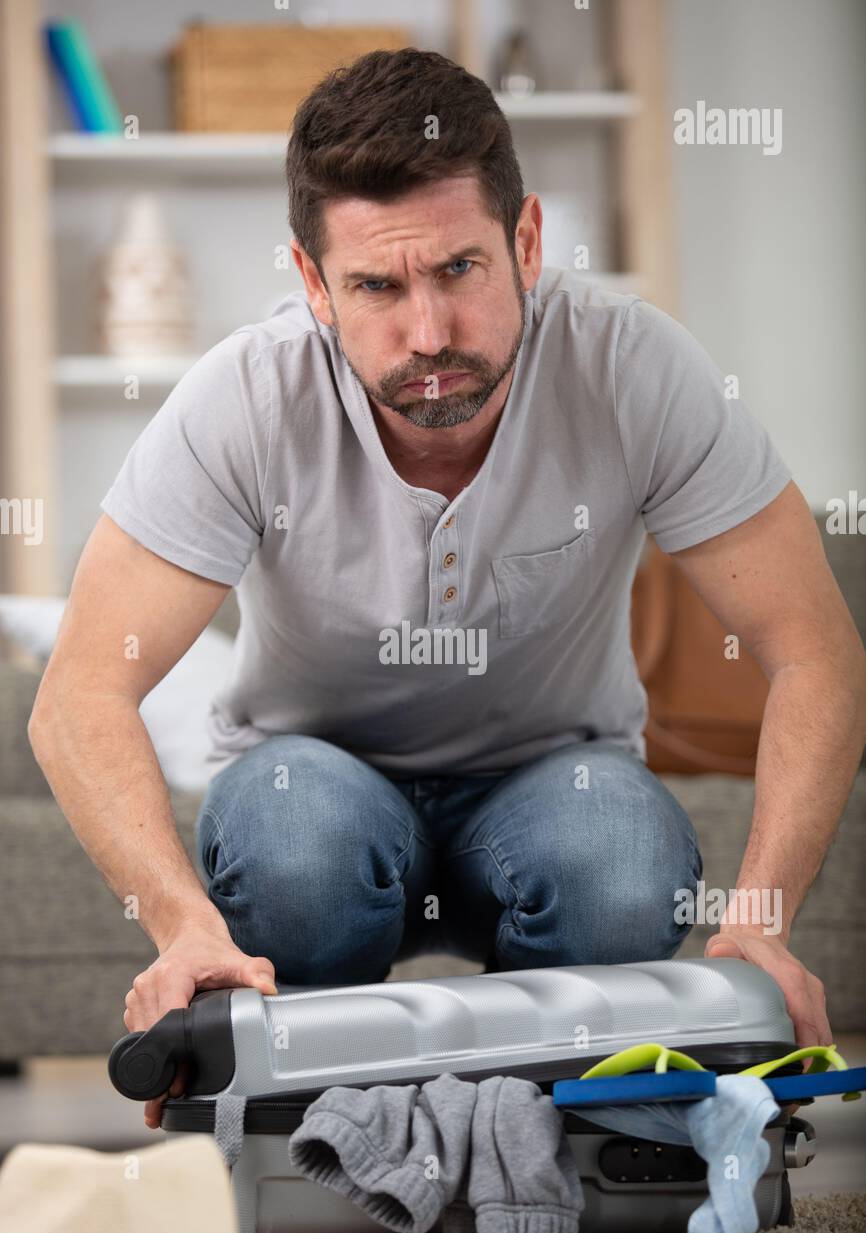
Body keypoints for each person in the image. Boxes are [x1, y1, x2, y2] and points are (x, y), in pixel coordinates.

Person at [28, 50, 866, 1130]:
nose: (427, 335)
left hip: (552, 786)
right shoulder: (242, 399)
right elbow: (79, 695)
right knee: (296, 842)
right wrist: (185, 927)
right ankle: (318, 1131)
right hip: (320, 799)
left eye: (459, 271)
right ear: (313, 282)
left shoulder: (631, 368)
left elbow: (815, 652)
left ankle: (533, 1127)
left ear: (523, 241)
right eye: (377, 286)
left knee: (617, 854)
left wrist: (758, 921)